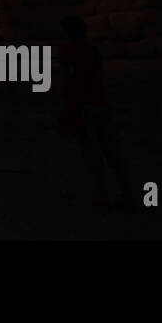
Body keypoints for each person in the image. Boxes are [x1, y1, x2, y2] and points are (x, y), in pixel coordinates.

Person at [58, 15, 134, 209]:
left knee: (92, 153)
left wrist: (65, 106)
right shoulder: (93, 50)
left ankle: (103, 196)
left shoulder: (67, 51)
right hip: (100, 102)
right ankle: (127, 193)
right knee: (113, 150)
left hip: (82, 106)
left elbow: (67, 80)